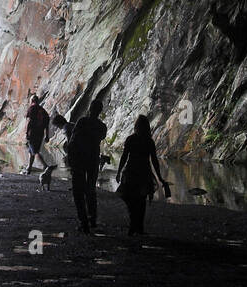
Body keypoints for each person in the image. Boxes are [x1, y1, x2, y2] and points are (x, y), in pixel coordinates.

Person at [116, 114, 171, 235]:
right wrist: (159, 177)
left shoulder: (131, 139)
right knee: (141, 200)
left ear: (136, 126)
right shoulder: (149, 141)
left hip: (131, 172)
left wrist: (119, 171)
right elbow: (154, 161)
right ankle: (138, 226)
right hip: (144, 173)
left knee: (130, 198)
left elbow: (124, 157)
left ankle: (133, 224)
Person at [67, 99, 108, 233]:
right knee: (90, 190)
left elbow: (73, 141)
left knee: (78, 191)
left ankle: (83, 221)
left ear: (90, 109)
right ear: (100, 111)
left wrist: (70, 158)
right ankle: (92, 219)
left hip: (79, 160)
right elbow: (100, 138)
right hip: (93, 160)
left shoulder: (82, 122)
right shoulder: (102, 127)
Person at [23, 94, 51, 174]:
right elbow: (47, 124)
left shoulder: (31, 109)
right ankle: (29, 168)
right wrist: (47, 135)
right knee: (31, 151)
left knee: (35, 151)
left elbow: (28, 121)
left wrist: (26, 133)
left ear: (32, 101)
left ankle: (46, 166)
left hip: (32, 133)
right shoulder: (43, 110)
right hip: (40, 134)